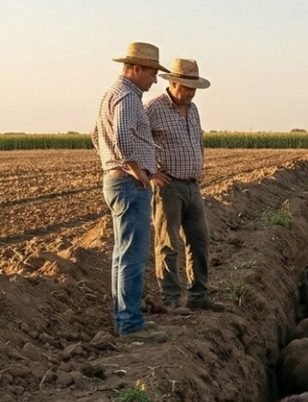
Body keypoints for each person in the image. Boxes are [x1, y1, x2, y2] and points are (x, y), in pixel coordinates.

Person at [92, 41, 170, 342]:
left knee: (122, 254)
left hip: (116, 180)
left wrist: (110, 163)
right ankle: (131, 325)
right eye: (151, 73)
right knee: (133, 256)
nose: (153, 80)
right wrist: (137, 172)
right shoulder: (127, 96)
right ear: (135, 68)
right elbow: (123, 136)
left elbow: (95, 135)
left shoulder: (112, 94)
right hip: (128, 184)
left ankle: (124, 318)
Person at [146, 58, 226, 313]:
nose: (191, 93)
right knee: (168, 244)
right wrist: (151, 173)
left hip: (192, 186)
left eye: (194, 89)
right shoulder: (153, 109)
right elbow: (135, 141)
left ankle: (198, 295)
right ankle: (170, 300)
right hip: (168, 187)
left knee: (200, 241)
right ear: (173, 83)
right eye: (187, 87)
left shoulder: (193, 110)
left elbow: (198, 140)